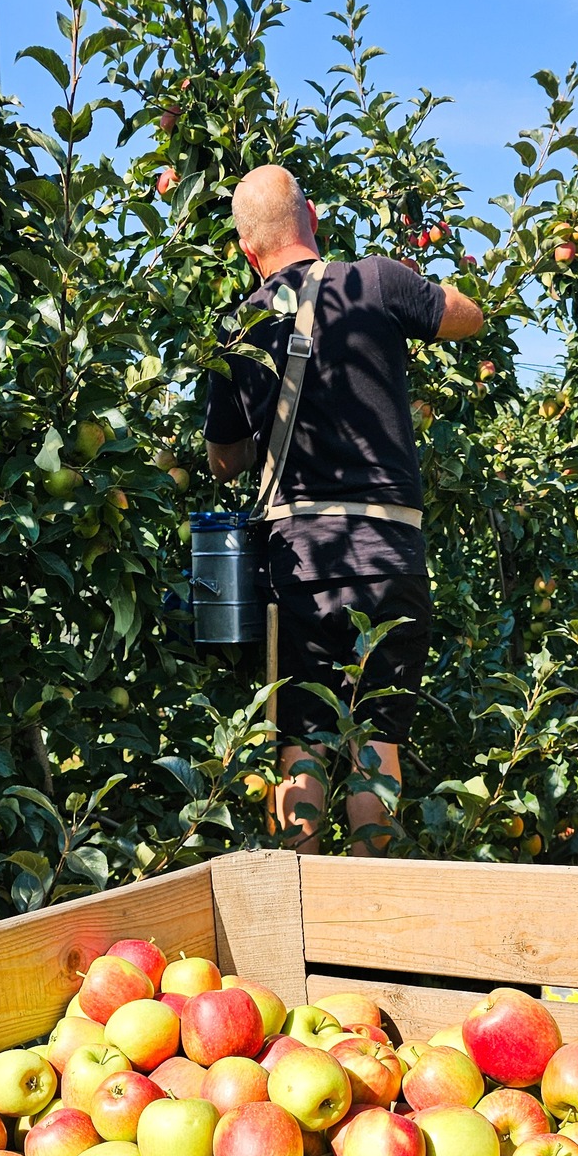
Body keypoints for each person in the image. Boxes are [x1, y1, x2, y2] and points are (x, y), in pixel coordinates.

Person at [204, 165, 485, 853]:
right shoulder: (375, 281)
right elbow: (467, 318)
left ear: (247, 251)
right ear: (315, 219)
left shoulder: (238, 326)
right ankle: (366, 937)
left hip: (295, 559)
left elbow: (224, 460)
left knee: (297, 743)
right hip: (385, 553)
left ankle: (293, 926)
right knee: (375, 742)